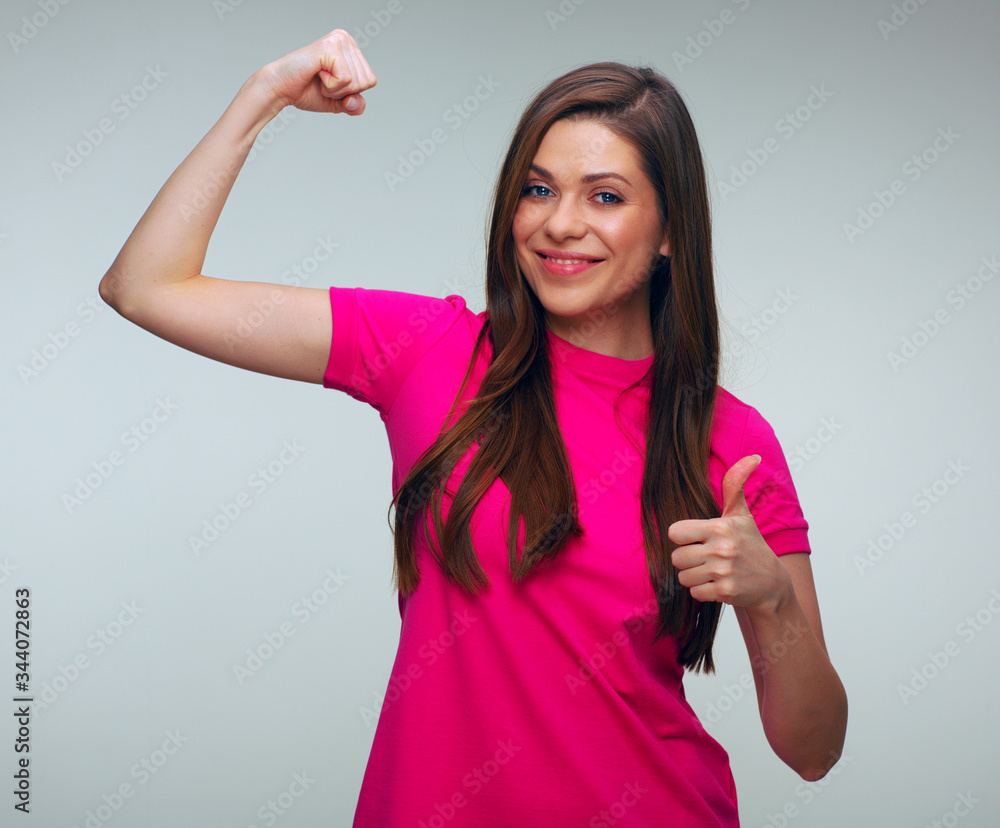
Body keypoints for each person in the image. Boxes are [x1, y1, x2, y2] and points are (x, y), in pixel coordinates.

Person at [100, 29, 847, 827]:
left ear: (668, 231)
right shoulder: (429, 353)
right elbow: (146, 287)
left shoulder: (729, 438)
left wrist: (773, 601)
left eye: (605, 196)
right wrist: (263, 98)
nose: (560, 224)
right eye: (536, 189)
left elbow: (813, 749)